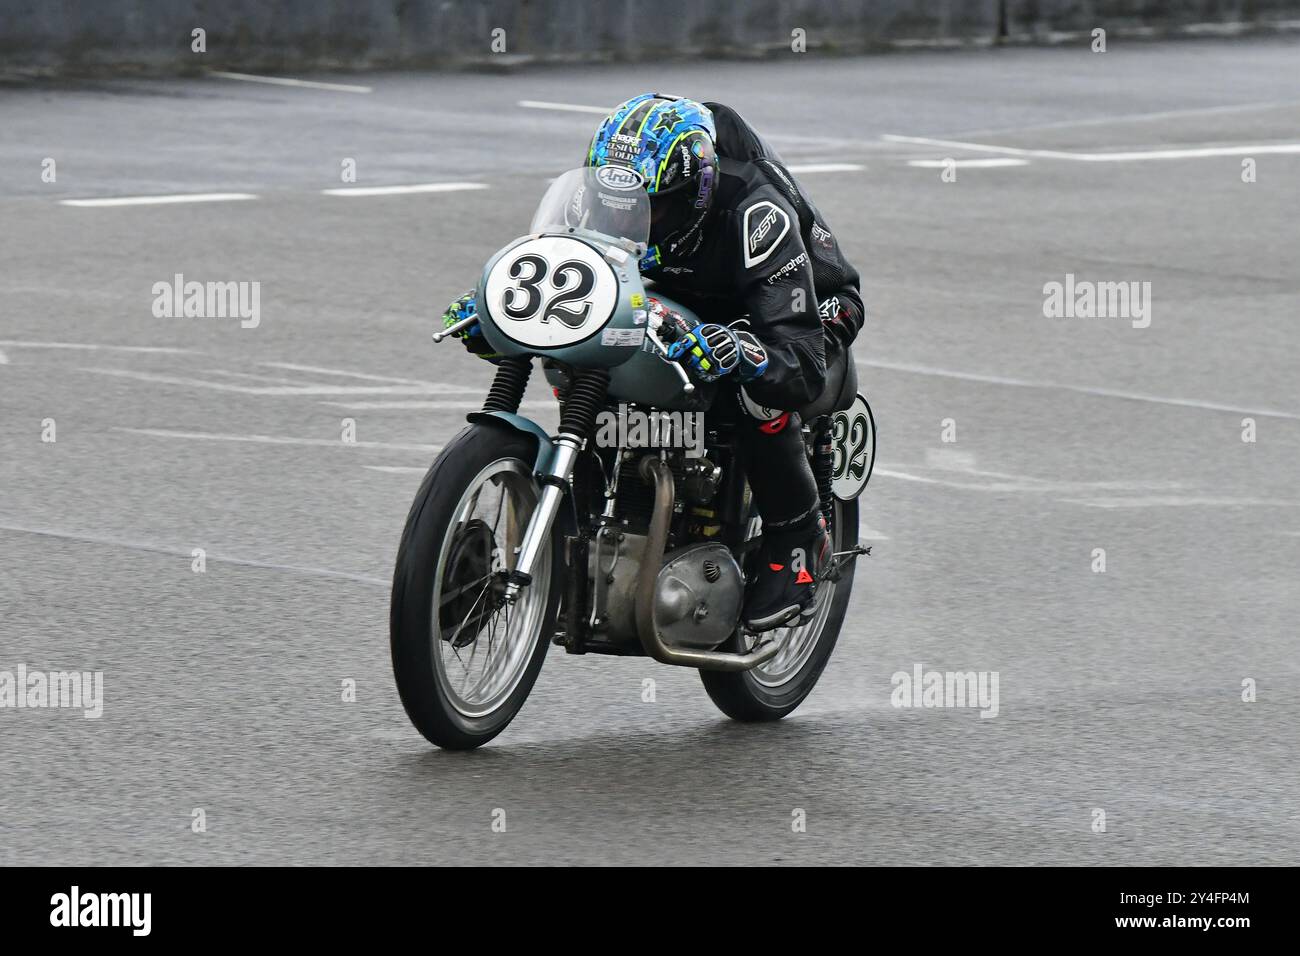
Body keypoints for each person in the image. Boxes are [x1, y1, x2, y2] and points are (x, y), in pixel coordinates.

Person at [444, 93, 865, 631]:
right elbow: (563, 274)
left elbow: (800, 360)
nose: (630, 218)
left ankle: (799, 537)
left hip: (799, 308)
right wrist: (495, 309)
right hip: (673, 293)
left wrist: (741, 350)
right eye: (618, 203)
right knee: (588, 345)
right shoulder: (598, 199)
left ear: (697, 193)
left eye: (653, 206)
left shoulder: (755, 214)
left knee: (755, 391)